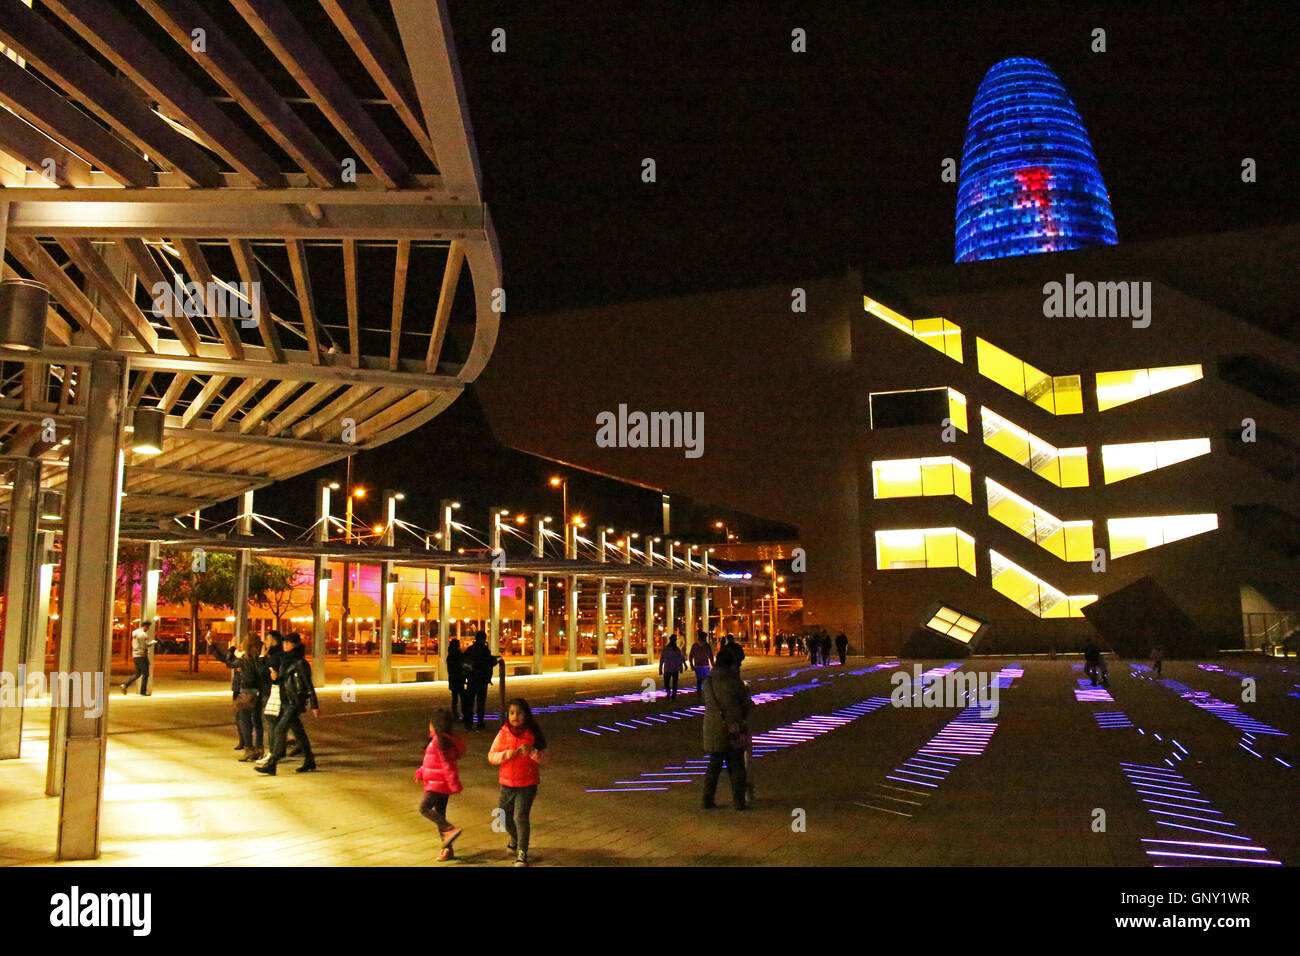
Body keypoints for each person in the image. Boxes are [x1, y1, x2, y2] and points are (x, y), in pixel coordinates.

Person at [488, 698, 548, 867]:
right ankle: (515, 837)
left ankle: (522, 851)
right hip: (506, 784)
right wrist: (507, 754)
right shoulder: (503, 733)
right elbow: (491, 755)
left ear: (526, 715)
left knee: (520, 816)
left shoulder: (533, 733)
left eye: (519, 713)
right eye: (512, 713)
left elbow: (544, 758)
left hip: (527, 784)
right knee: (503, 817)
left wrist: (532, 752)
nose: (515, 716)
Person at [257, 632, 318, 775]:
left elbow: (309, 685)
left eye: (288, 643)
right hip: (285, 699)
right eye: (284, 642)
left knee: (279, 729)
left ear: (295, 645)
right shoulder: (284, 660)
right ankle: (309, 760)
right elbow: (282, 681)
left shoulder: (300, 663)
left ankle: (272, 764)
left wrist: (314, 704)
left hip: (294, 702)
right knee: (298, 732)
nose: (285, 645)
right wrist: (275, 678)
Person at [701, 646, 752, 810]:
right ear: (732, 664)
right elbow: (747, 705)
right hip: (733, 728)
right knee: (736, 765)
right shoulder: (736, 682)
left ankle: (707, 799)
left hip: (713, 728)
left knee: (714, 765)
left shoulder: (707, 682)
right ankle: (739, 801)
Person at [415, 708, 465, 861]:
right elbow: (431, 763)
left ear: (434, 725)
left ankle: (450, 830)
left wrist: (453, 784)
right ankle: (447, 849)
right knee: (440, 814)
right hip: (441, 786)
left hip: (437, 786)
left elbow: (447, 766)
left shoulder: (438, 742)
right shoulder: (440, 741)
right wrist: (421, 772)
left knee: (424, 808)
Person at [460, 630, 497, 731]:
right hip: (482, 680)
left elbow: (464, 664)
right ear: (484, 639)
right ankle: (480, 723)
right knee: (481, 702)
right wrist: (488, 677)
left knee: (469, 702)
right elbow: (489, 664)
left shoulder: (470, 650)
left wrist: (465, 677)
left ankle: (469, 723)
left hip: (472, 679)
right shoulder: (485, 651)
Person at [120, 619, 155, 695]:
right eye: (148, 627)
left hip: (135, 655)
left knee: (138, 673)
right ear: (145, 626)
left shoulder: (135, 633)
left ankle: (125, 685)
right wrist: (152, 643)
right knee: (145, 674)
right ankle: (143, 691)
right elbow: (145, 645)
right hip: (142, 655)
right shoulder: (142, 634)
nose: (148, 629)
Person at [446, 637, 464, 721]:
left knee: (454, 697)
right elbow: (461, 665)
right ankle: (464, 712)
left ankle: (455, 713)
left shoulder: (450, 655)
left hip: (452, 678)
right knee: (463, 697)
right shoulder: (458, 654)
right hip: (459, 678)